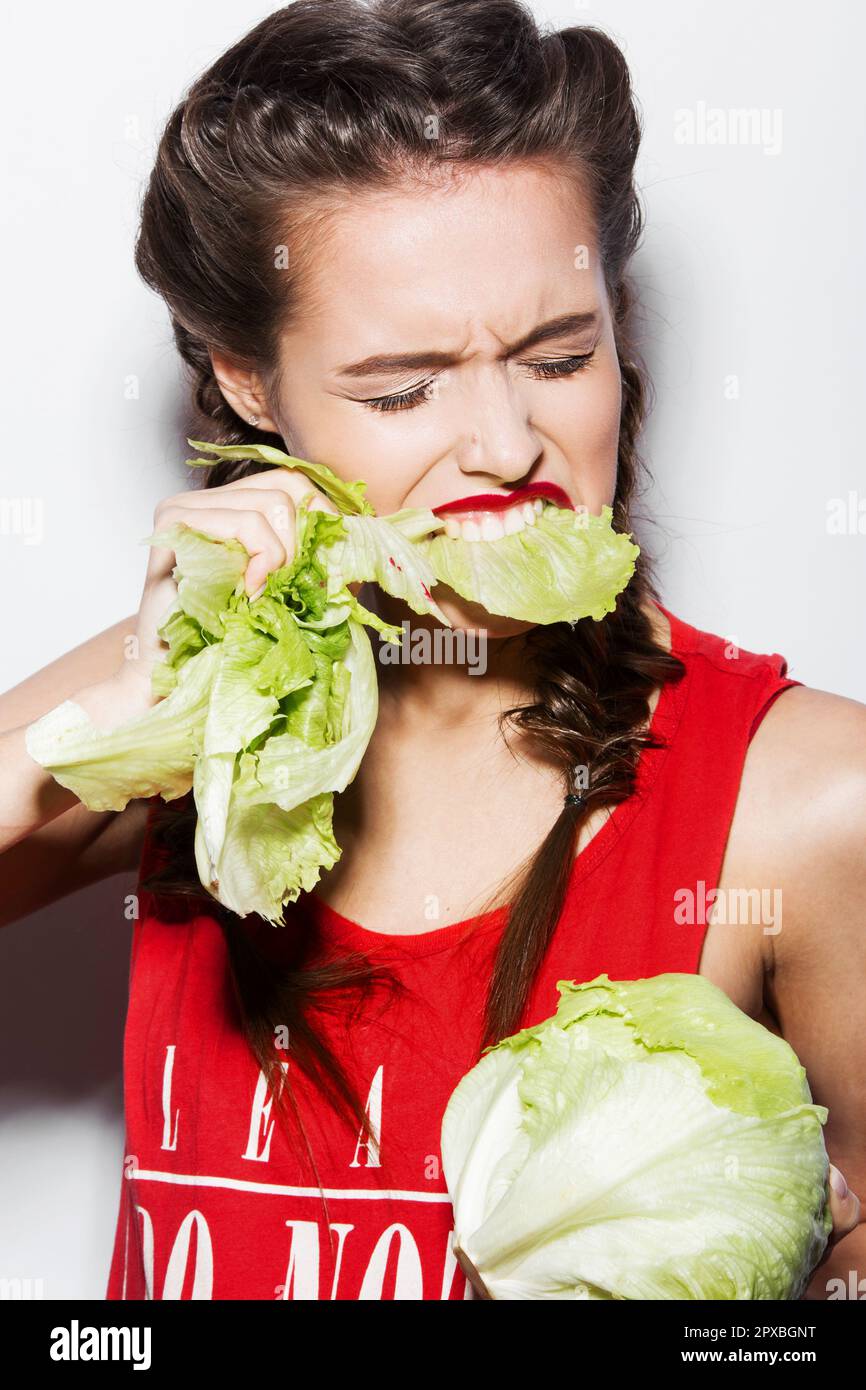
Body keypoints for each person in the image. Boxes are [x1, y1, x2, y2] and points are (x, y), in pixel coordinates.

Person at [1, 0, 862, 1301]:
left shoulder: (803, 796)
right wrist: (117, 730)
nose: (507, 444)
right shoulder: (187, 707)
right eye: (402, 388)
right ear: (248, 382)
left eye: (560, 354)